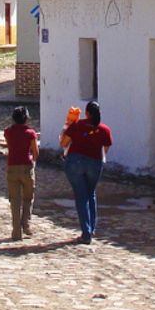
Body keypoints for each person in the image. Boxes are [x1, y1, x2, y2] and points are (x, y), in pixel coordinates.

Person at [60, 100, 112, 244]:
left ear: (87, 113)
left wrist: (66, 127)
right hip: (95, 164)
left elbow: (63, 143)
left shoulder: (77, 125)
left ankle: (86, 233)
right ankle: (91, 228)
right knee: (91, 193)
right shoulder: (104, 130)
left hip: (75, 162)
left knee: (81, 196)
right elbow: (105, 149)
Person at [3, 106, 39, 241]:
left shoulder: (8, 132)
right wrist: (32, 161)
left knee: (14, 200)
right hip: (26, 168)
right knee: (28, 197)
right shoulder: (31, 133)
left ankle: (16, 231)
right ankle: (26, 224)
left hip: (12, 167)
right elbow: (35, 152)